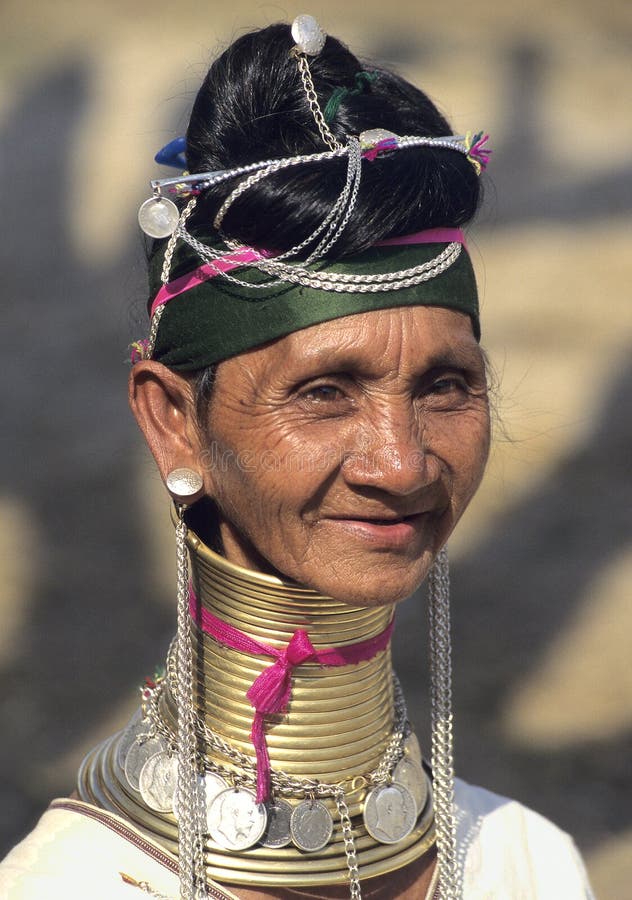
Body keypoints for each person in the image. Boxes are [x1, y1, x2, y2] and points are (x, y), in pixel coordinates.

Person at [0, 16, 594, 900]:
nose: (401, 465)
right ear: (173, 420)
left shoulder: (527, 864)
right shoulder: (74, 885)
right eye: (324, 393)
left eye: (445, 386)